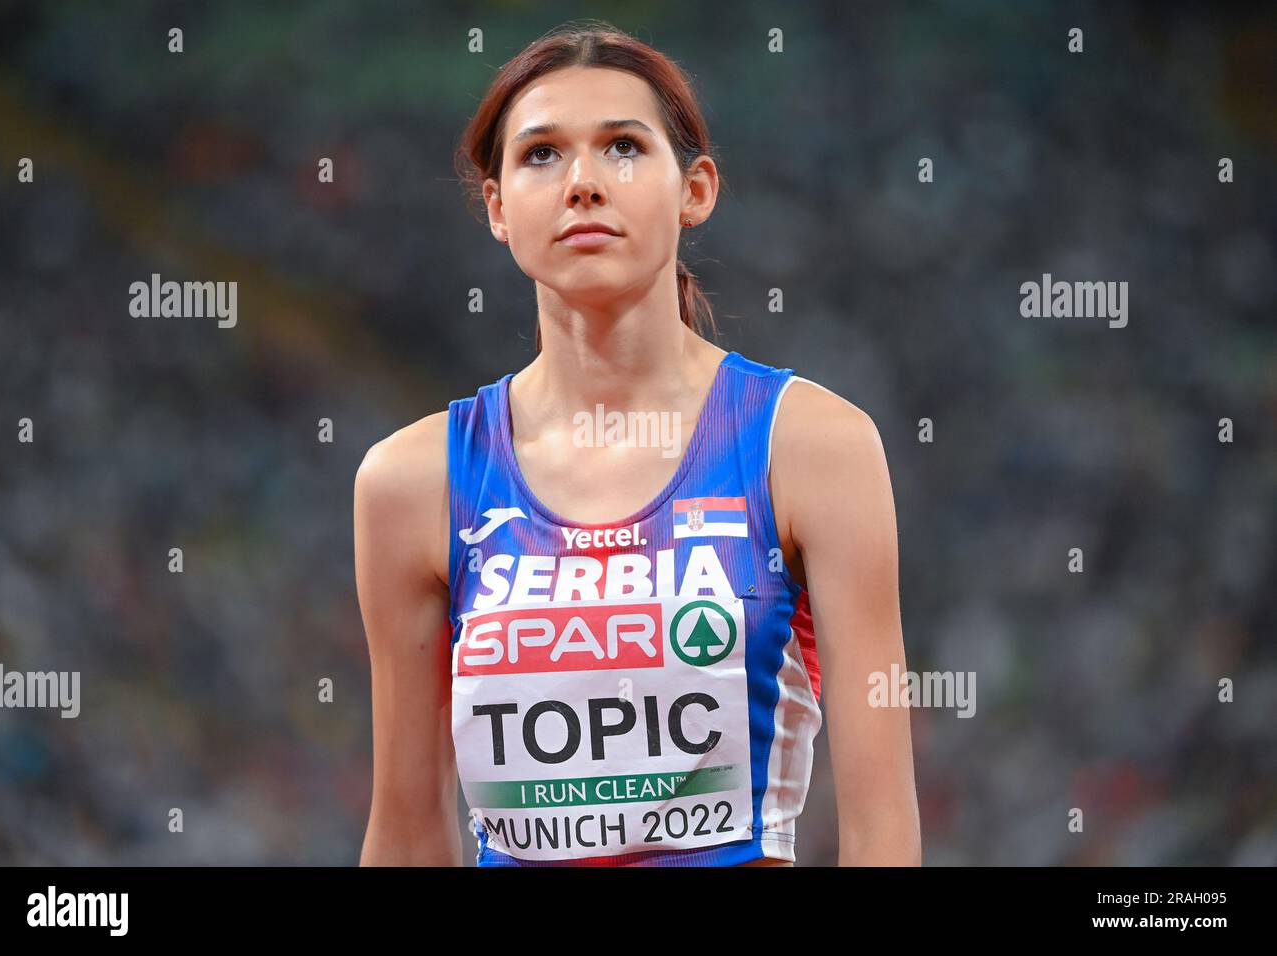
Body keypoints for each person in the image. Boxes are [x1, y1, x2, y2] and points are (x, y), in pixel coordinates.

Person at [356, 21, 920, 866]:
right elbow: (406, 834)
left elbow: (882, 832)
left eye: (622, 146)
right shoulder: (413, 481)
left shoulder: (809, 447)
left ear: (695, 189)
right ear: (499, 208)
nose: (583, 182)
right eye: (542, 154)